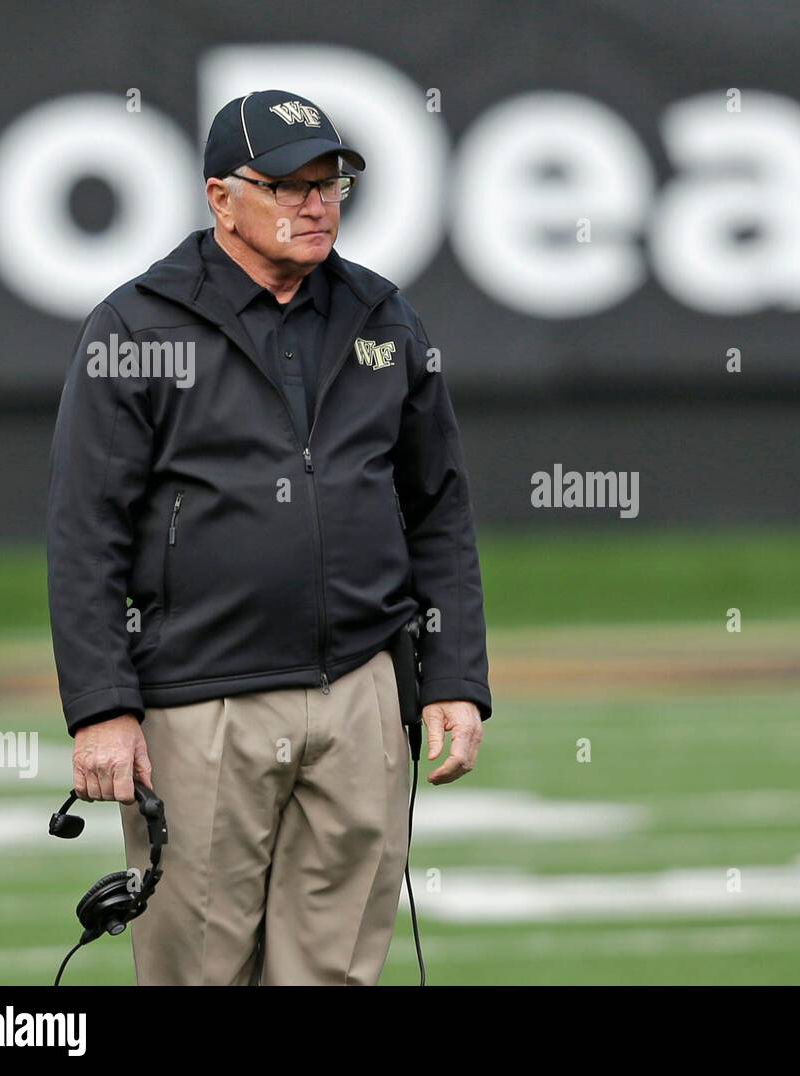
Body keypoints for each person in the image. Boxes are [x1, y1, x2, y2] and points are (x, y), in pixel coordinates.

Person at [45, 89, 491, 985]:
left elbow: (437, 508)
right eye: (288, 185)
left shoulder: (383, 317)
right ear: (220, 199)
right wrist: (102, 706)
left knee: (334, 974)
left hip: (362, 690)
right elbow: (84, 532)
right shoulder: (136, 326)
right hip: (200, 700)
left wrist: (454, 678)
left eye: (329, 183)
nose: (316, 203)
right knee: (198, 973)